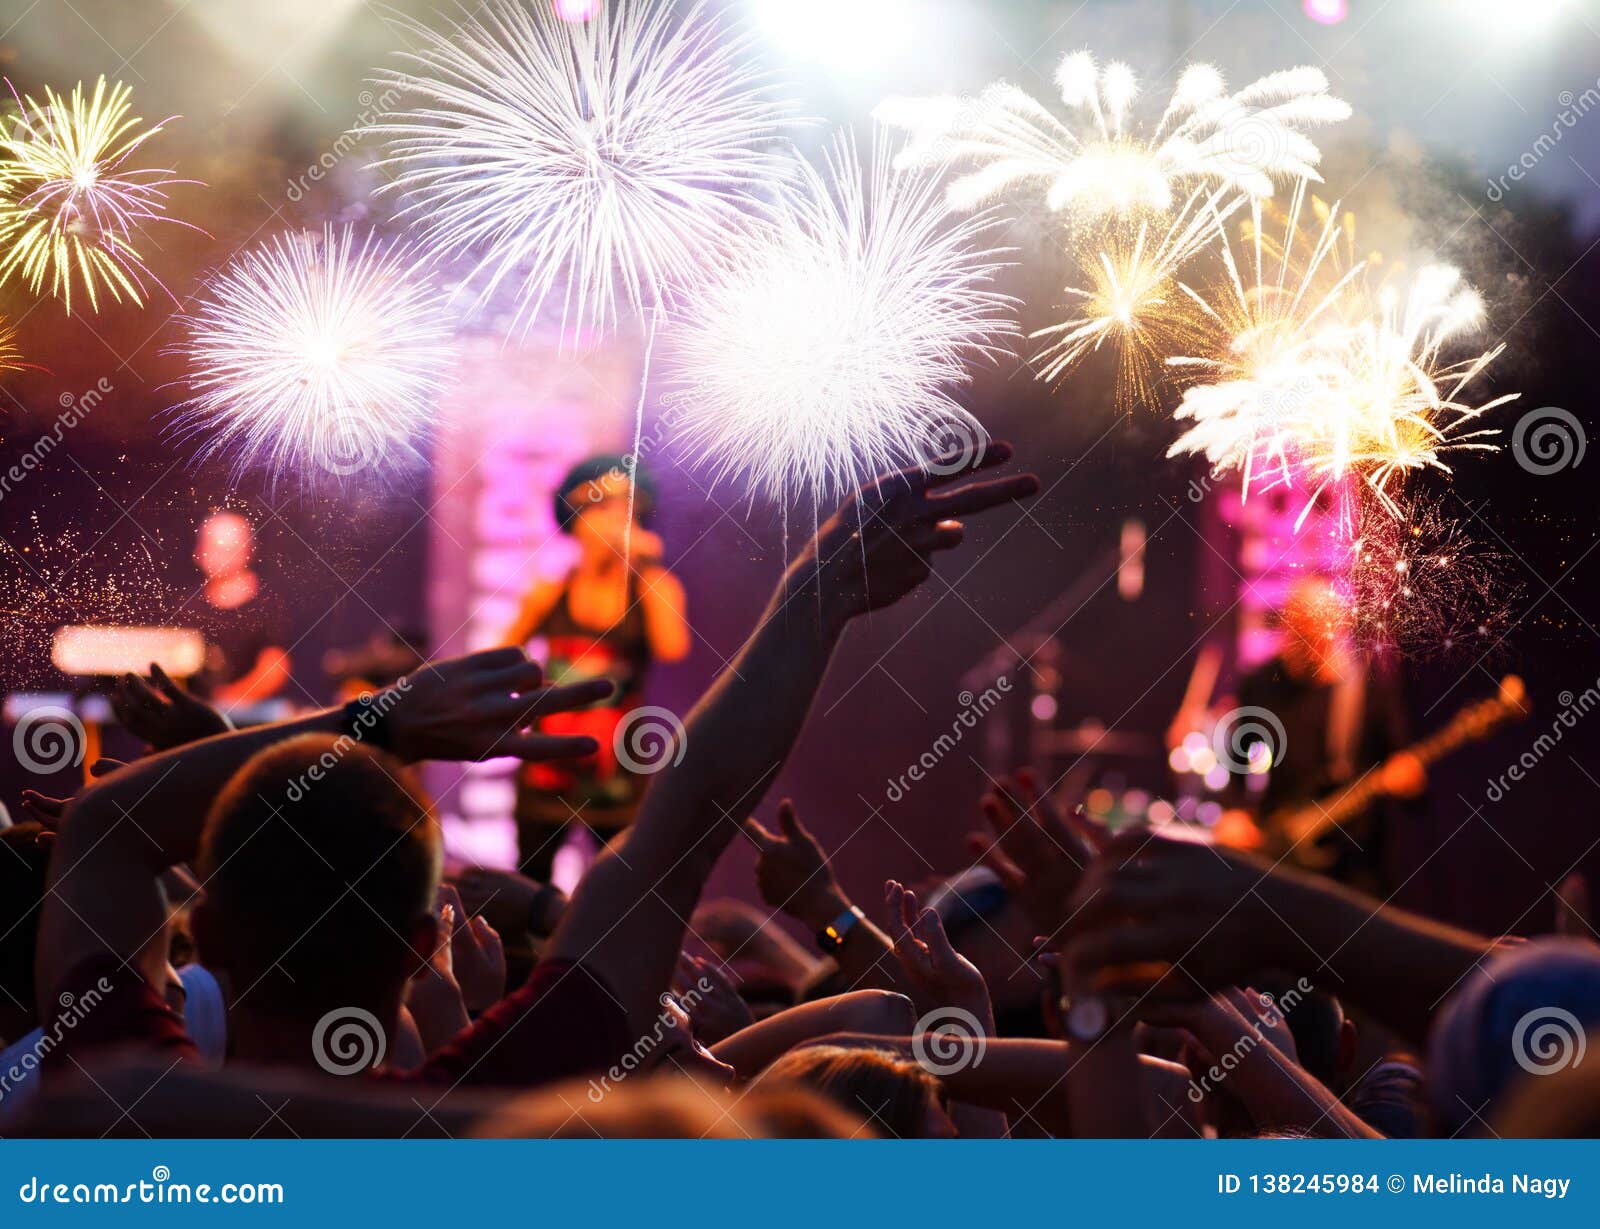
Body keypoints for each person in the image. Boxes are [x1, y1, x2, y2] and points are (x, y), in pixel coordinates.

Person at [501, 457, 690, 881]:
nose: (613, 525)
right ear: (577, 522)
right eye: (601, 511)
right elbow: (498, 654)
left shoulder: (654, 586)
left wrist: (648, 570)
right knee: (531, 877)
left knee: (619, 882)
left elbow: (672, 646)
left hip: (618, 767)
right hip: (548, 762)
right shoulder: (551, 591)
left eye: (627, 514)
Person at [1216, 576, 1425, 890]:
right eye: (1298, 631)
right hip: (1281, 852)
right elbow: (1238, 764)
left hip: (1357, 865)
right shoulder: (1260, 685)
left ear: (1337, 630)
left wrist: (1410, 783)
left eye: (1316, 633)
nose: (1307, 643)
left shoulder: (1368, 689)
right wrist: (1233, 813)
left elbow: (1404, 769)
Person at [192, 511, 292, 709]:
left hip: (248, 721)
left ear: (248, 551)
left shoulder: (266, 605)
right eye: (213, 547)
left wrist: (230, 700)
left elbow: (275, 667)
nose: (219, 557)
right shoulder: (189, 607)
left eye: (228, 550)